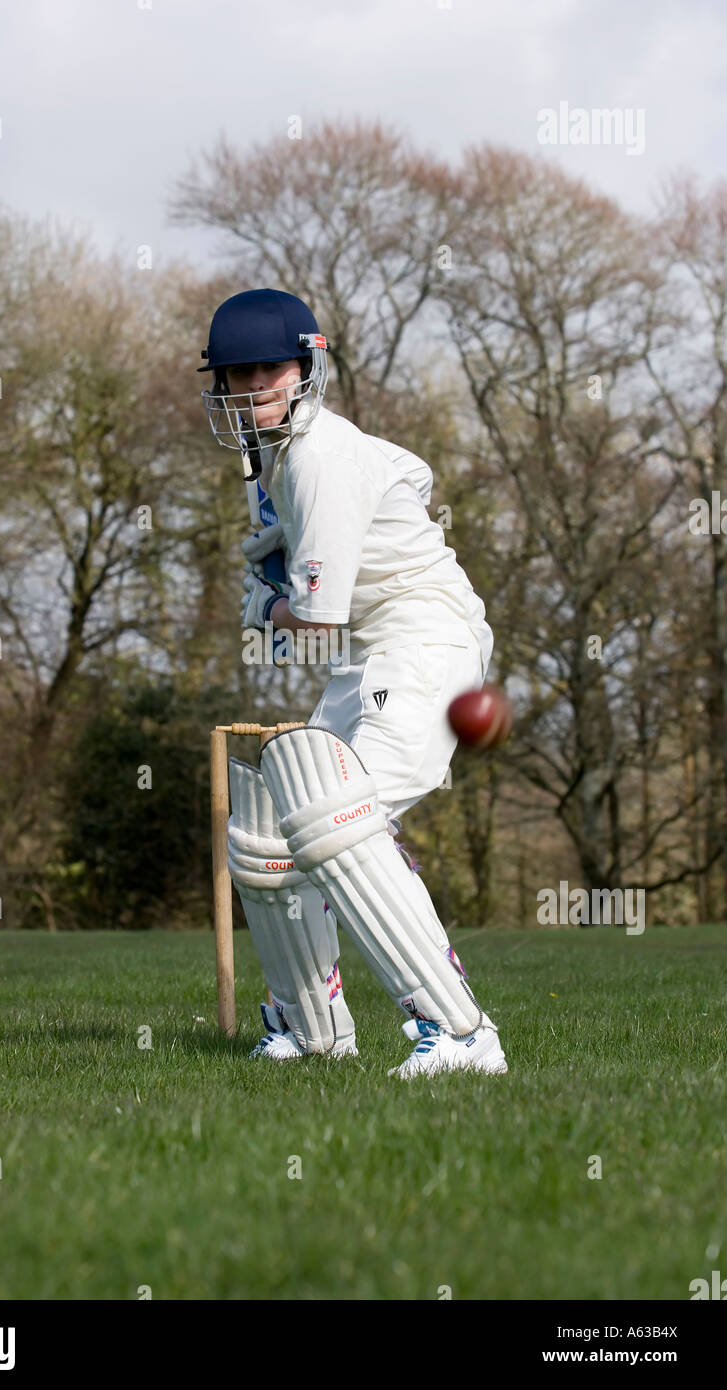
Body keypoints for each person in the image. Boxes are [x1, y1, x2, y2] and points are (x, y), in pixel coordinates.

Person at [199, 287, 507, 1079]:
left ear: (306, 368)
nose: (250, 387)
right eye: (235, 374)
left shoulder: (317, 457)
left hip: (422, 644)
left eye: (267, 370)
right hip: (368, 657)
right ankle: (313, 1030)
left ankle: (461, 1034)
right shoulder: (271, 459)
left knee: (339, 817)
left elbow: (316, 619)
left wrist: (267, 605)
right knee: (269, 828)